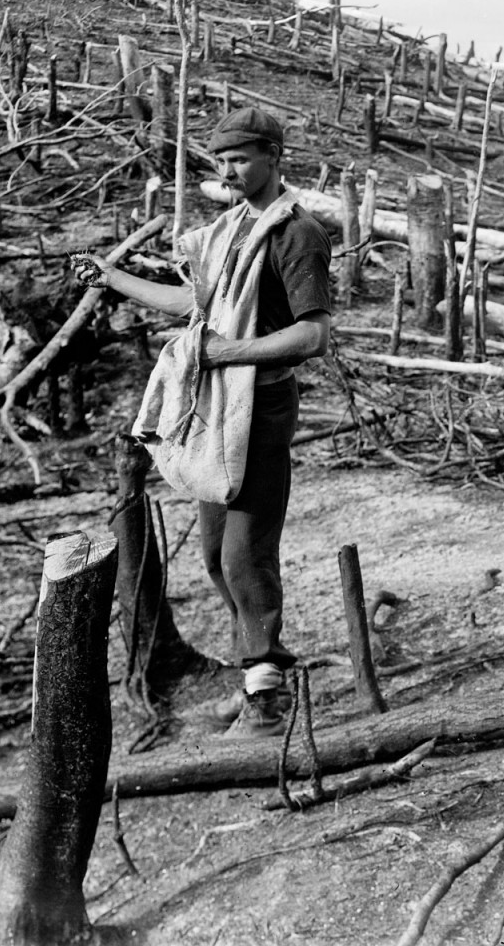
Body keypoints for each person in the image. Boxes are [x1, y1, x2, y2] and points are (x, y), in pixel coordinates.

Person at [71, 107, 333, 736]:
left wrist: (228, 353)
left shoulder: (296, 234)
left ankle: (269, 698)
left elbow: (315, 334)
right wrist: (114, 280)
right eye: (222, 160)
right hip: (218, 408)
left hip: (262, 406)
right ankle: (256, 679)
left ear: (274, 156)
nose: (229, 170)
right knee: (215, 555)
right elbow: (198, 306)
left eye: (241, 158)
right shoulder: (229, 231)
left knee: (245, 554)